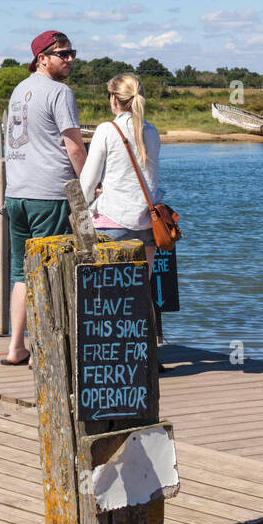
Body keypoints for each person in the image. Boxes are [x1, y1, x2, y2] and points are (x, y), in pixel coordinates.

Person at [2, 30, 87, 366]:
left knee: (23, 273)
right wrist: (92, 185)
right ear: (42, 58)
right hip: (50, 193)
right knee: (51, 272)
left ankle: (16, 348)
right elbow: (74, 145)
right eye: (62, 54)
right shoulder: (60, 92)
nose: (68, 60)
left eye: (71, 53)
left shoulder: (19, 90)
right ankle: (48, 351)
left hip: (16, 193)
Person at [78, 73, 166, 346]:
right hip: (147, 224)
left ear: (114, 99)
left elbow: (88, 181)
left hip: (112, 222)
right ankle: (148, 353)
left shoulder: (107, 130)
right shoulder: (151, 132)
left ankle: (113, 351)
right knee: (141, 292)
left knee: (108, 295)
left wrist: (82, 207)